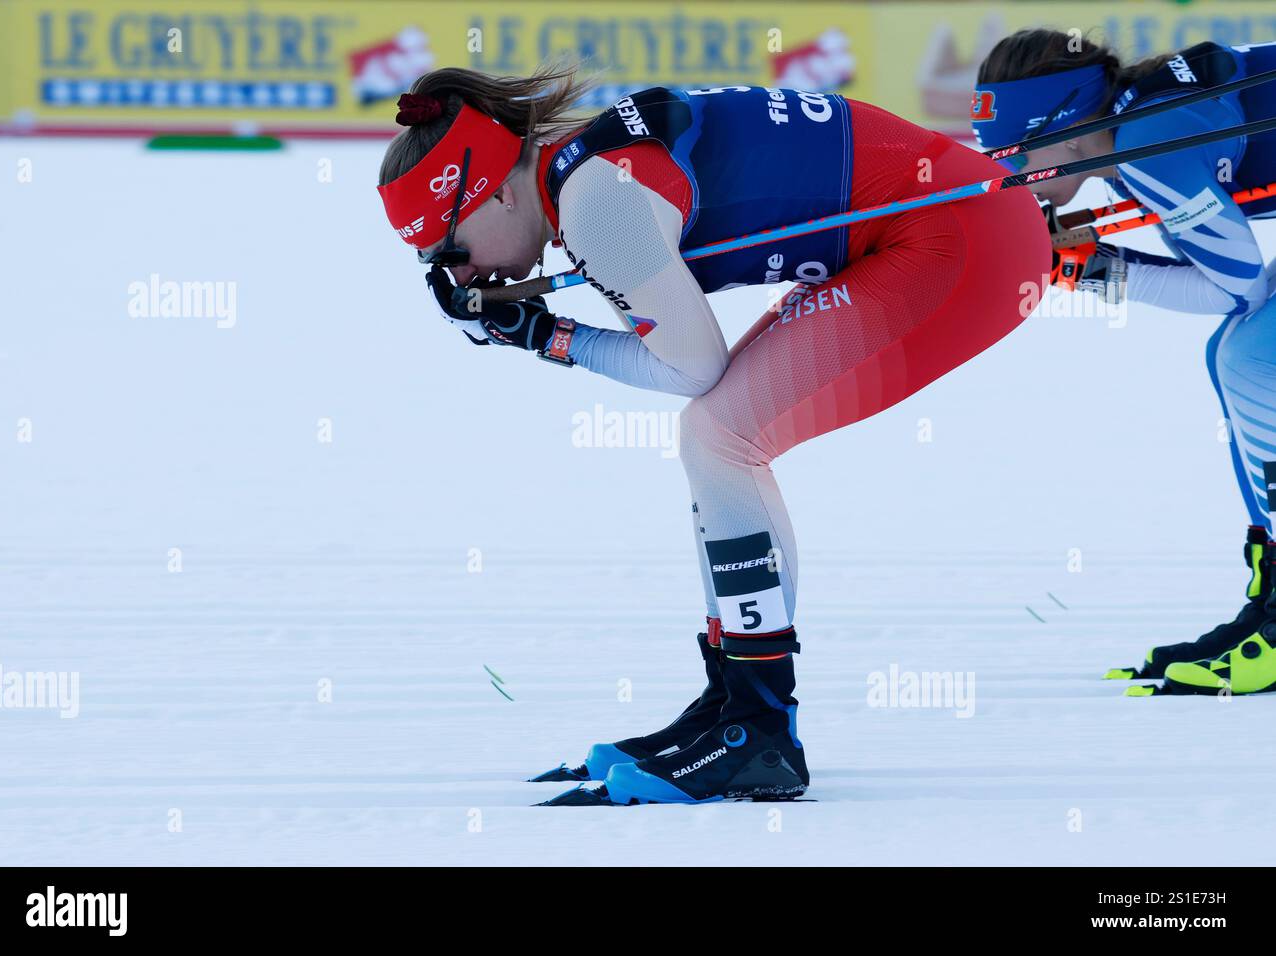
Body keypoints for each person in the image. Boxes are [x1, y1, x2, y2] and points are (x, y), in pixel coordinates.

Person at [377, 64, 1050, 804]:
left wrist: (550, 337)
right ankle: (740, 705)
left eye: (447, 250)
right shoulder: (579, 170)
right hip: (949, 224)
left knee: (721, 433)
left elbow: (691, 366)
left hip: (957, 241)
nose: (461, 277)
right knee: (720, 436)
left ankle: (759, 728)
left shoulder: (594, 203)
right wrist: (544, 328)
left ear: (497, 191)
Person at [973, 33, 1276, 695]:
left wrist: (1088, 273)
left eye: (1016, 155)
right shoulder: (1138, 126)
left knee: (1256, 355)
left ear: (1074, 131)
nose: (1009, 177)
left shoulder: (1146, 148)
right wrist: (1089, 268)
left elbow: (1237, 287)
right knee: (1238, 352)